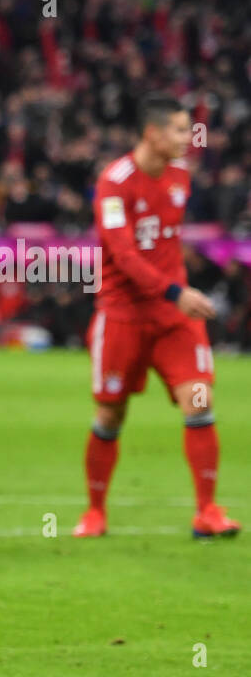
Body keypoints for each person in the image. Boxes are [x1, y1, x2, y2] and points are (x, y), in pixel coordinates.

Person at [73, 94, 239, 539]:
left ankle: (207, 510)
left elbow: (163, 243)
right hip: (123, 315)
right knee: (110, 416)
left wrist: (178, 289)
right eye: (181, 130)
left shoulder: (181, 177)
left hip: (174, 316)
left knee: (200, 401)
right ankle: (95, 512)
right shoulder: (115, 181)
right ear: (153, 132)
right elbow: (123, 255)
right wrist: (175, 290)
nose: (189, 138)